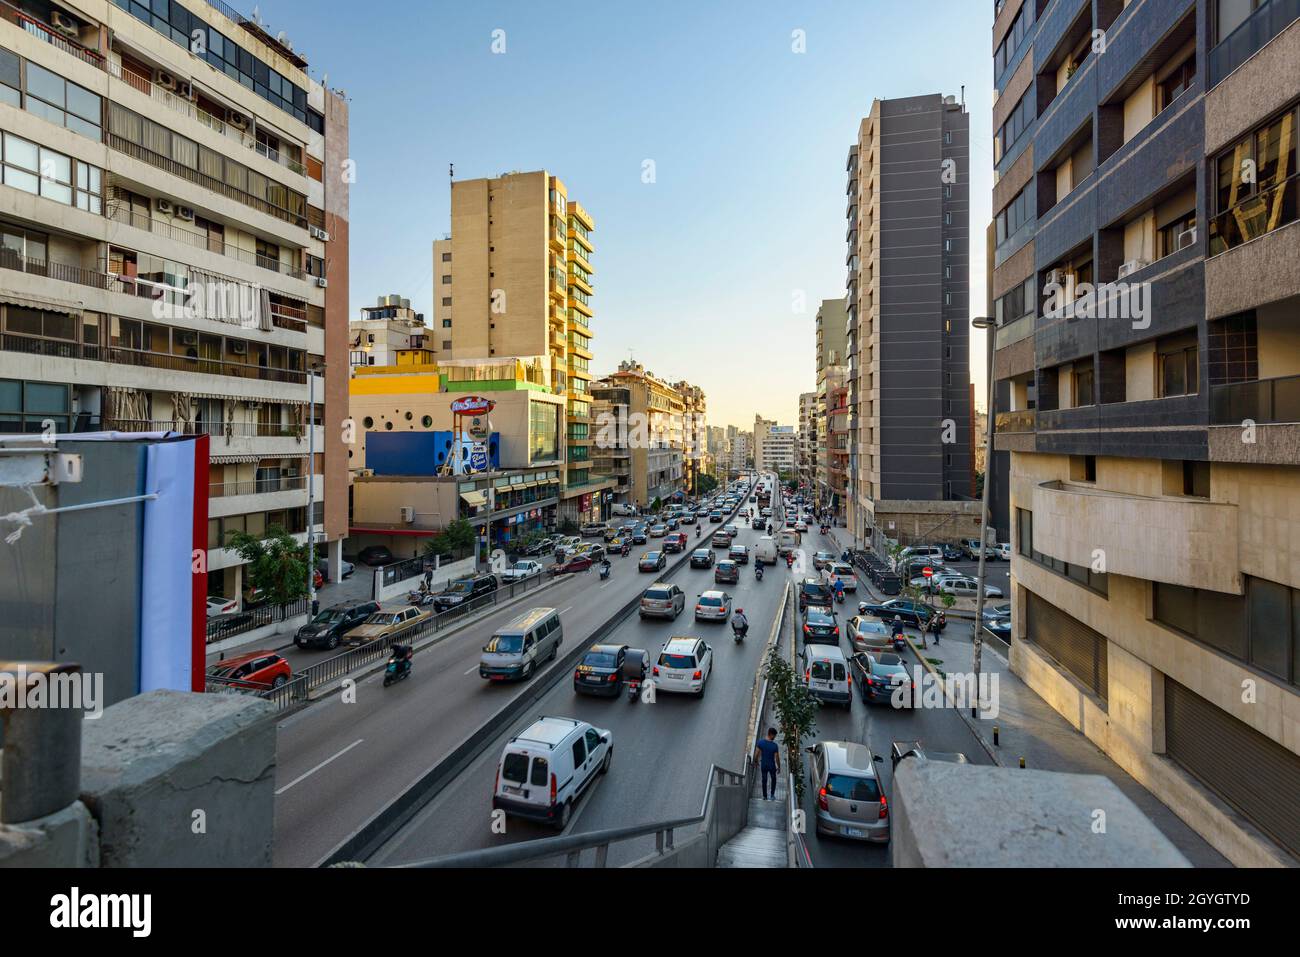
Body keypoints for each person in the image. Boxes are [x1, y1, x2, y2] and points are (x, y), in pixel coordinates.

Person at [754, 727, 781, 801]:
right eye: (774, 736)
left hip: (764, 764)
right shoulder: (774, 746)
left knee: (764, 780)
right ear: (771, 734)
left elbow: (756, 754)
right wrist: (779, 767)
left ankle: (765, 796)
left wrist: (756, 761)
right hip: (771, 765)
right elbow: (777, 758)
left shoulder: (761, 742)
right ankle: (772, 795)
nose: (775, 737)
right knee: (773, 779)